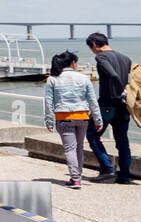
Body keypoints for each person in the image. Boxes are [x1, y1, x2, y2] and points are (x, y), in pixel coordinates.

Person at [44, 50, 102, 188]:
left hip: (64, 118)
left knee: (70, 149)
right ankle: (77, 177)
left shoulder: (53, 79)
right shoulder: (84, 78)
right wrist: (98, 119)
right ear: (73, 63)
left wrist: (49, 121)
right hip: (82, 117)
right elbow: (93, 101)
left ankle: (75, 179)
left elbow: (48, 102)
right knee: (79, 148)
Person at [85, 32, 134, 184]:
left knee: (92, 134)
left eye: (90, 48)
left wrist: (118, 90)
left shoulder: (101, 57)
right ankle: (125, 175)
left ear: (94, 45)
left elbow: (113, 75)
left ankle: (107, 169)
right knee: (122, 140)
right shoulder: (126, 58)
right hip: (124, 106)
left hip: (107, 104)